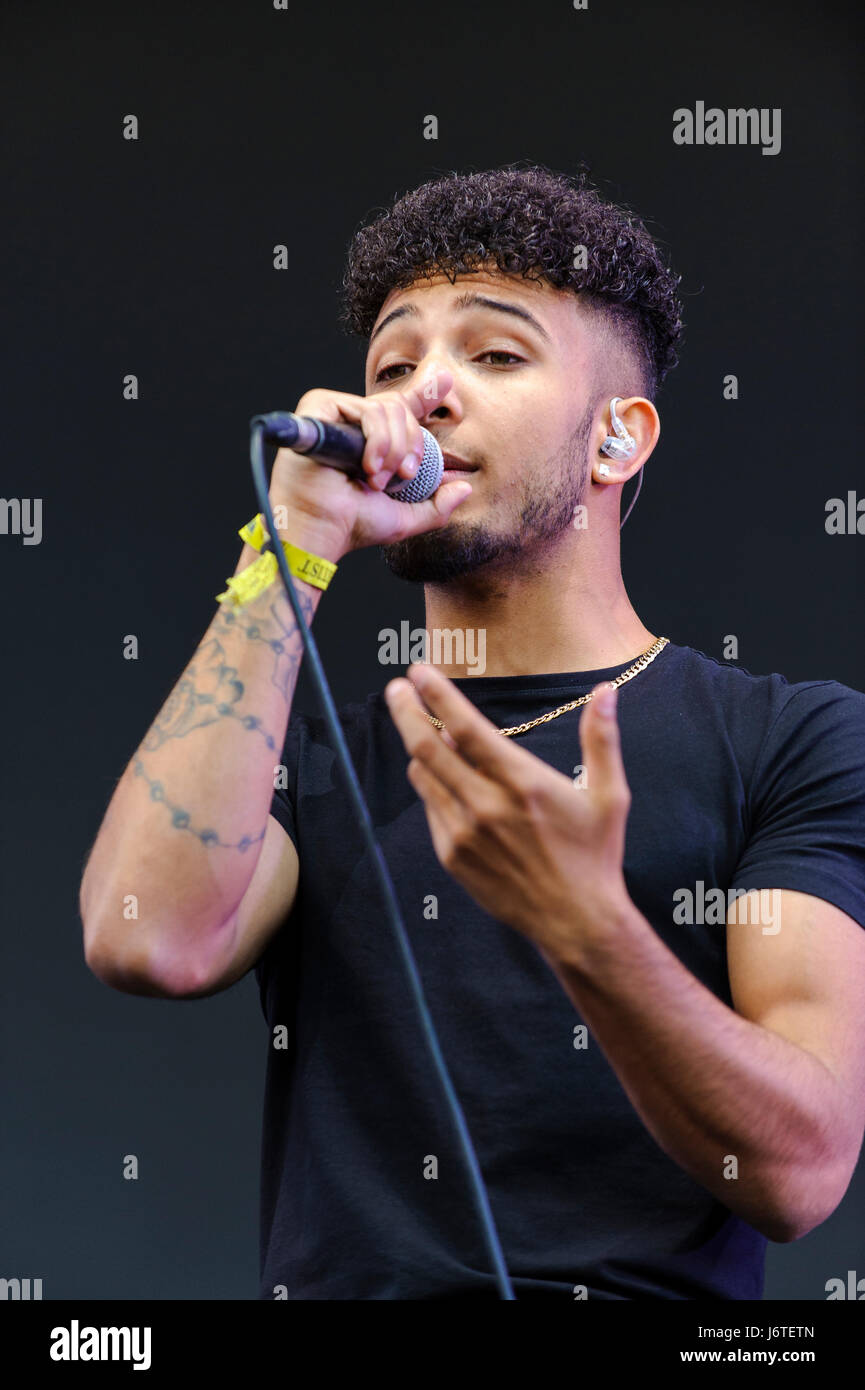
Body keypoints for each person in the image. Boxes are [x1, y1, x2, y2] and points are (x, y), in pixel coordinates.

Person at [79, 164, 865, 1300]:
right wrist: (290, 542)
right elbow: (144, 939)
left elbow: (795, 1169)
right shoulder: (306, 760)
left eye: (494, 355)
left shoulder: (791, 740)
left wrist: (589, 927)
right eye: (395, 365)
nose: (426, 393)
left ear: (616, 441)